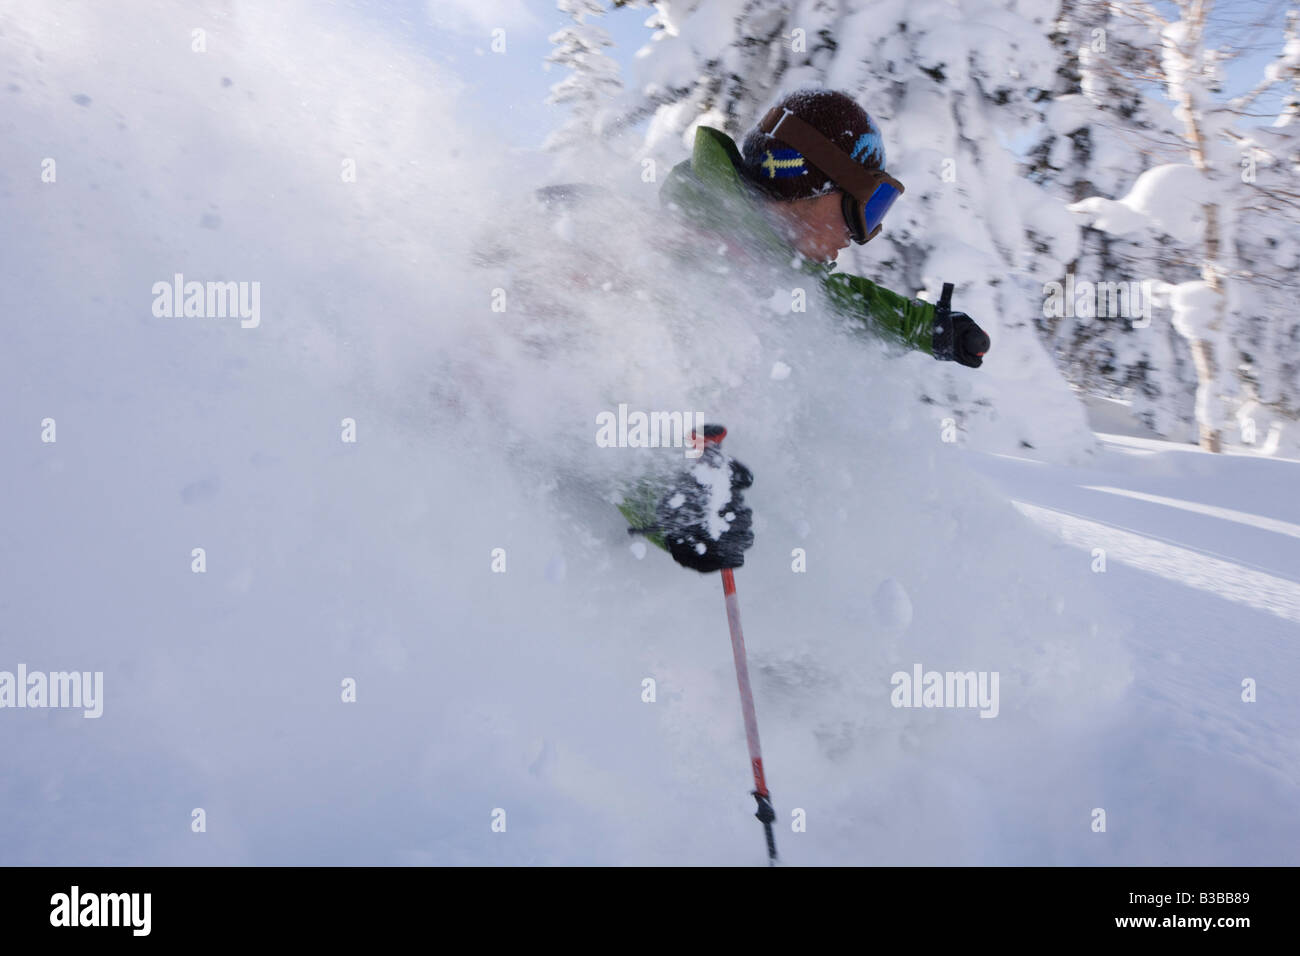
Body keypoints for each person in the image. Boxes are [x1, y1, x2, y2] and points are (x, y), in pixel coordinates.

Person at [623, 87, 991, 573]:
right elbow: (579, 408)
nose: (858, 235)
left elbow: (841, 301)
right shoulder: (680, 259)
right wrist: (674, 502)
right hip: (606, 582)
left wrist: (927, 326)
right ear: (805, 185)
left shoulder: (766, 263)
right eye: (861, 208)